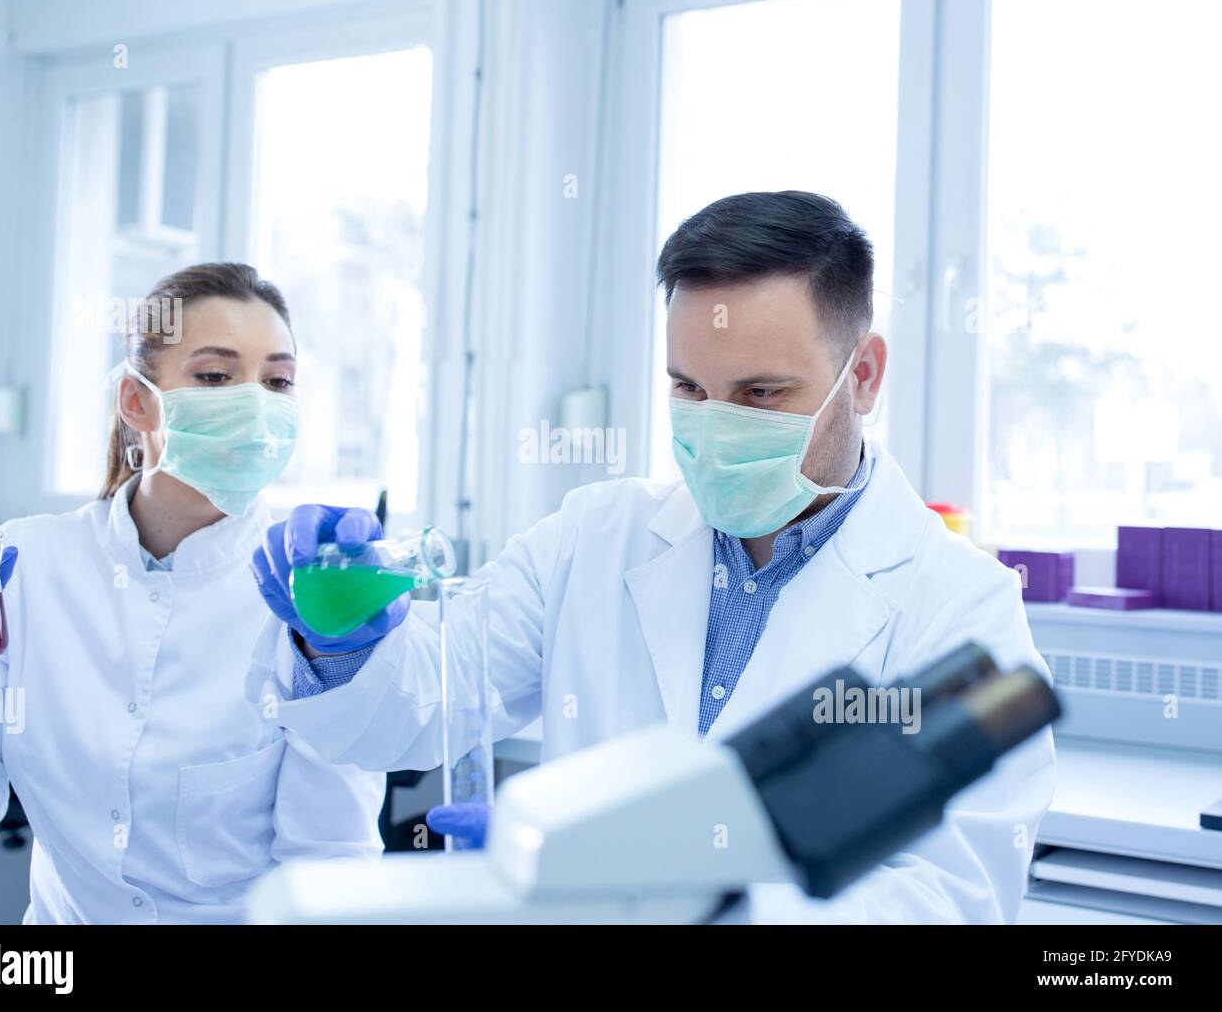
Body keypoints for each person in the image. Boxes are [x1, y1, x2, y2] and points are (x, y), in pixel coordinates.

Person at [247, 192, 1057, 923]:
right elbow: (422, 711)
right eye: (688, 389)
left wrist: (680, 895)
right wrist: (341, 644)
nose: (714, 424)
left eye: (761, 394)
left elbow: (952, 899)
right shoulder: (596, 535)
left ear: (865, 375)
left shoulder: (960, 606)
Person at [0, 263, 385, 924]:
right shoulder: (21, 568)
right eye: (216, 377)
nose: (256, 404)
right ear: (138, 403)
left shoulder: (306, 593)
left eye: (278, 381)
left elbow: (332, 865)